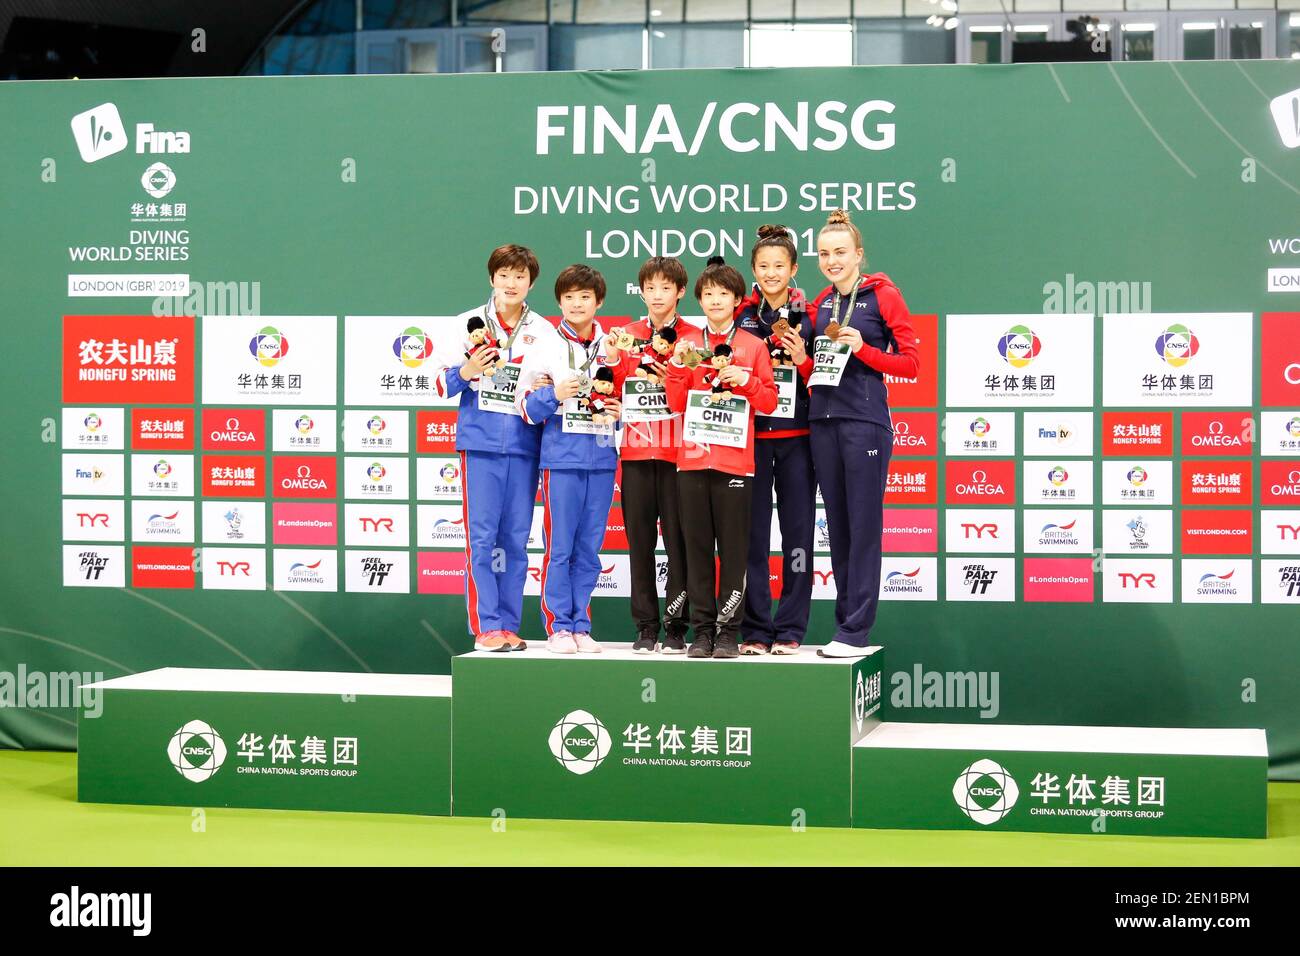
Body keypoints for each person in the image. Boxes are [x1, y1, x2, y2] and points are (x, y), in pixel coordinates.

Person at [798, 210, 920, 657]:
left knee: (864, 527)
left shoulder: (883, 295)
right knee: (840, 528)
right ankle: (843, 627)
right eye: (825, 254)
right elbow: (820, 372)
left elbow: (911, 363)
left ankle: (856, 631)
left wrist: (864, 348)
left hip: (865, 424)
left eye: (840, 253)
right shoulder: (821, 303)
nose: (832, 261)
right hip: (822, 423)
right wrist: (800, 359)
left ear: (859, 255)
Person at [434, 244, 560, 652]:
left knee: (516, 539)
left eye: (520, 277)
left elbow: (549, 387)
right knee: (483, 539)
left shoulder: (543, 330)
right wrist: (467, 370)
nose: (511, 283)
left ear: (531, 283)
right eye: (504, 275)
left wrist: (545, 388)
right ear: (492, 278)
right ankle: (486, 625)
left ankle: (508, 623)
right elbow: (439, 384)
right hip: (481, 444)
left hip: (526, 445)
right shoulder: (465, 323)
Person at [664, 256, 777, 659]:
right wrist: (677, 368)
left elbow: (770, 401)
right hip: (691, 462)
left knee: (733, 551)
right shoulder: (688, 344)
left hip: (735, 465)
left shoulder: (753, 346)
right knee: (696, 549)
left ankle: (730, 632)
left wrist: (745, 380)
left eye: (723, 294)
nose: (714, 300)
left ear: (737, 300)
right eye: (707, 294)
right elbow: (674, 403)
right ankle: (703, 632)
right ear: (698, 299)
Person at [516, 264, 622, 654]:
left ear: (599, 302)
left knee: (589, 548)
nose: (577, 304)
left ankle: (581, 624)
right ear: (559, 301)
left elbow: (628, 395)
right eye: (569, 297)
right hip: (561, 457)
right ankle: (559, 626)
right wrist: (554, 394)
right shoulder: (543, 345)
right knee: (560, 546)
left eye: (585, 297)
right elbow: (525, 408)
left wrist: (619, 408)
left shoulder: (612, 344)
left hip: (602, 455)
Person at [603, 257, 703, 655]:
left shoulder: (695, 338)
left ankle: (677, 628)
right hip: (635, 452)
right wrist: (611, 361)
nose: (657, 295)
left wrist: (675, 376)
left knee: (678, 543)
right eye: (650, 288)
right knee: (639, 544)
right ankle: (645, 628)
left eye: (666, 288)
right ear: (640, 291)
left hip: (681, 455)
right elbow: (610, 390)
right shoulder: (624, 336)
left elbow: (701, 389)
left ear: (680, 292)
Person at [734, 225, 816, 656]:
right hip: (751, 441)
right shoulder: (741, 315)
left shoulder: (813, 313)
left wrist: (802, 359)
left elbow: (824, 377)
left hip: (799, 440)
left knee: (799, 537)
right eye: (763, 266)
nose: (770, 273)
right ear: (753, 270)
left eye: (778, 266)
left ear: (794, 269)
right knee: (752, 537)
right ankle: (754, 629)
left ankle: (790, 629)